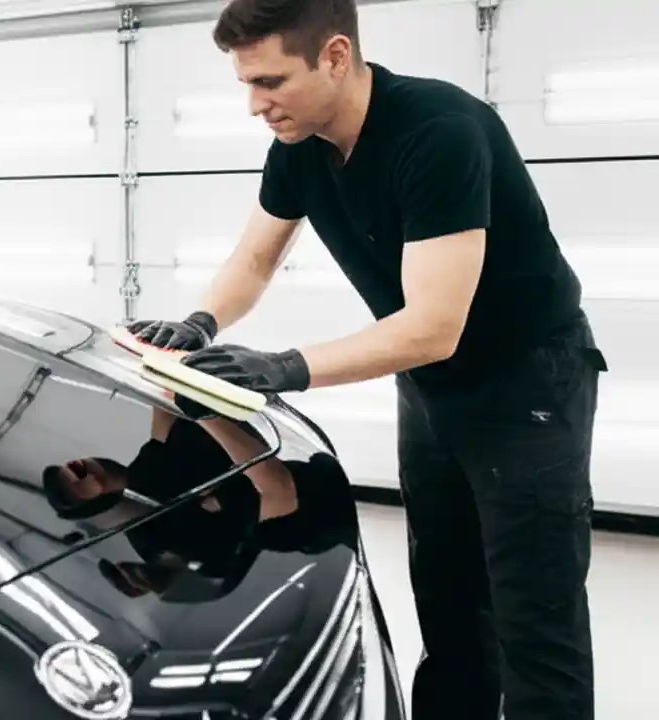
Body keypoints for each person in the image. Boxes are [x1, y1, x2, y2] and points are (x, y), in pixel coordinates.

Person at [127, 1, 607, 718]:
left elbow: (433, 327)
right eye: (245, 85)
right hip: (432, 389)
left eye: (271, 81)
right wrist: (199, 324)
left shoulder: (438, 132)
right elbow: (256, 258)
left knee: (533, 613)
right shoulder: (299, 143)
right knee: (447, 596)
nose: (256, 105)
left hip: (527, 380)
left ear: (335, 56)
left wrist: (285, 367)